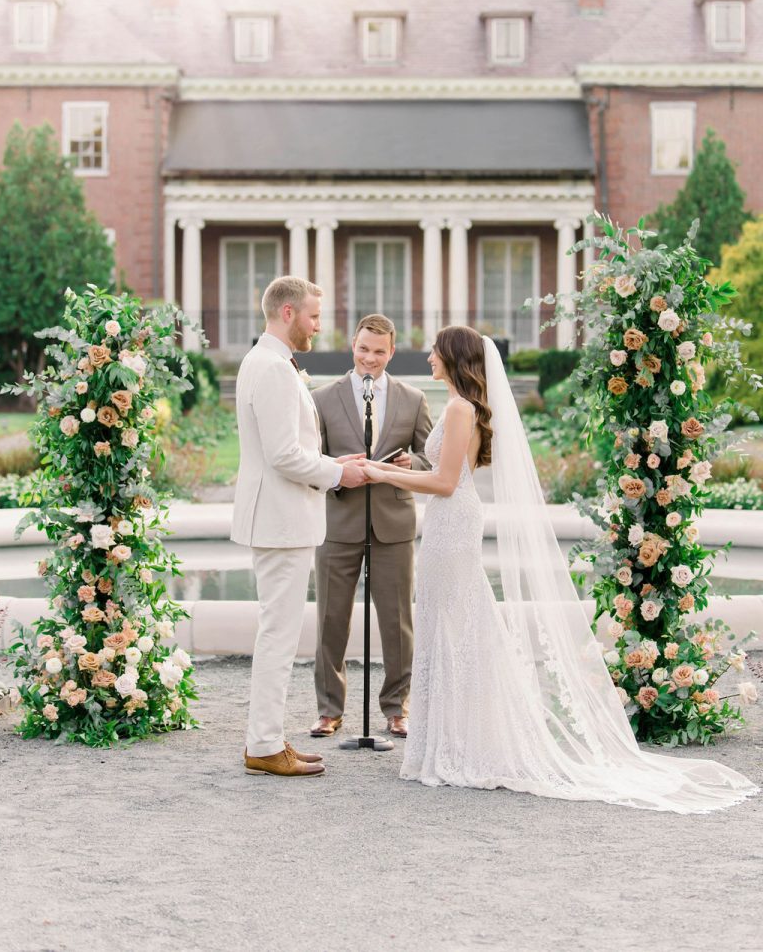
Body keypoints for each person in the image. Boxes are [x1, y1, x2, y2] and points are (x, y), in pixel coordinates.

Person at [362, 326, 758, 812]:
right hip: (449, 521)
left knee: (454, 622)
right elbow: (448, 473)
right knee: (452, 621)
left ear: (452, 357)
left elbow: (445, 482)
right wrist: (405, 466)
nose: (427, 357)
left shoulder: (460, 407)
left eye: (434, 351)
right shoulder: (461, 406)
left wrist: (382, 472)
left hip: (451, 519)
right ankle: (450, 738)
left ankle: (458, 743)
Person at [231, 276, 366, 778]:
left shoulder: (268, 362)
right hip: (280, 521)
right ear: (287, 313)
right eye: (312, 315)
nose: (318, 325)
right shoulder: (271, 369)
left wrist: (331, 459)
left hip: (280, 518)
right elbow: (283, 454)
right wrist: (337, 473)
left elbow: (287, 447)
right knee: (279, 635)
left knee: (279, 632)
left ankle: (267, 738)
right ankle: (264, 745)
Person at [309, 314, 432, 739]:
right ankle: (329, 710)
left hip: (393, 523)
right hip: (337, 520)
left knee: (398, 622)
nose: (370, 359)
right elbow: (310, 460)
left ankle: (397, 708)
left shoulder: (413, 398)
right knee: (330, 619)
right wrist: (335, 470)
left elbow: (429, 458)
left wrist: (408, 464)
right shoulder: (322, 398)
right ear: (353, 347)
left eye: (379, 352)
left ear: (391, 352)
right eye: (363, 349)